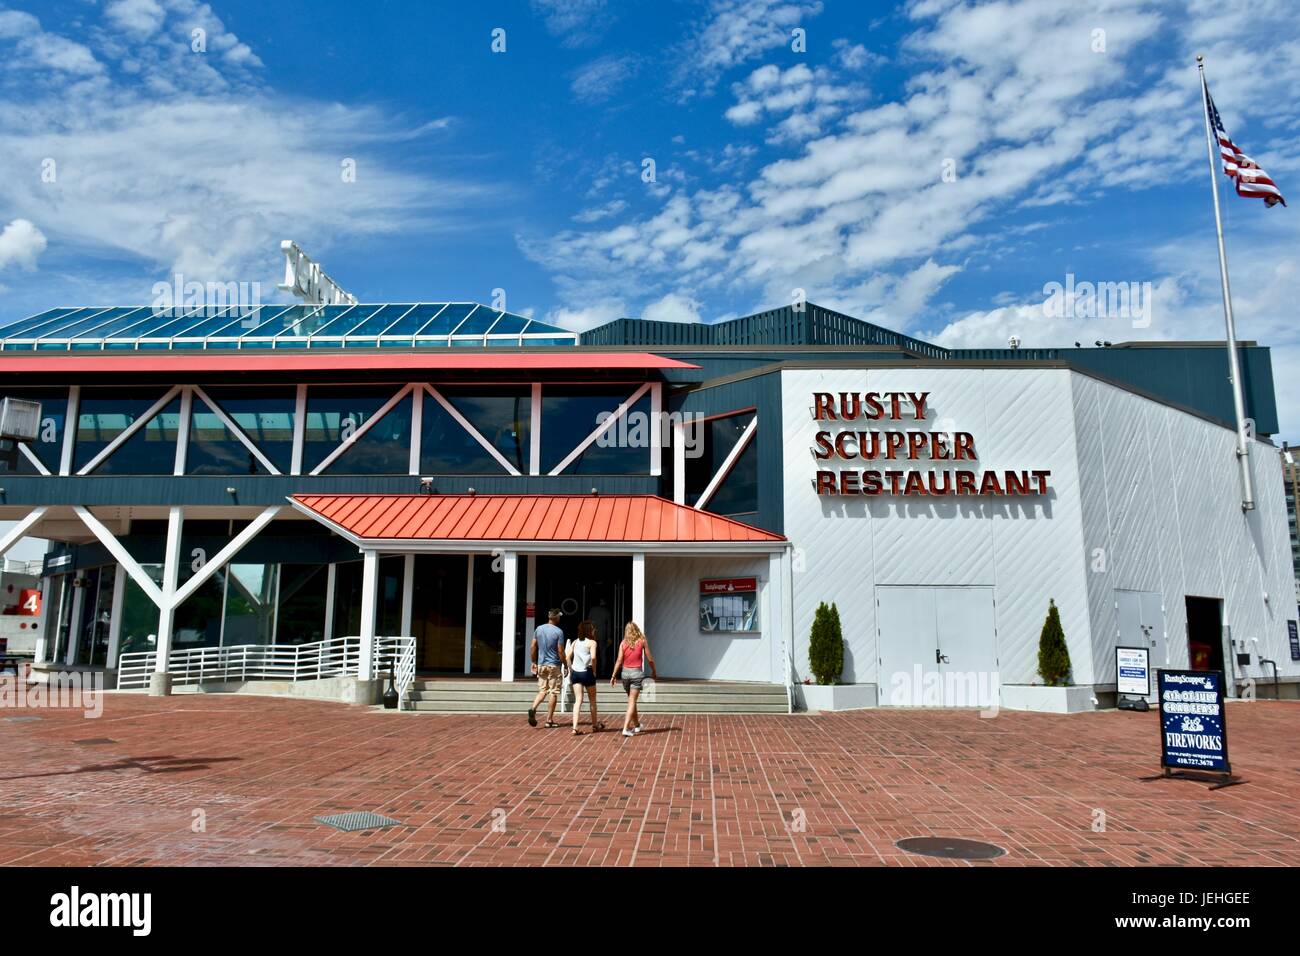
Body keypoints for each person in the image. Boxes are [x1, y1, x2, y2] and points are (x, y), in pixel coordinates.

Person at [609, 621, 656, 738]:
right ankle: (625, 728)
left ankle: (637, 725)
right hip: (636, 674)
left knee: (631, 700)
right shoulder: (642, 641)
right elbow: (650, 658)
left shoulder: (623, 643)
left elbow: (619, 660)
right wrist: (654, 671)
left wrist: (613, 675)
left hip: (625, 674)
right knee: (632, 701)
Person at [528, 609, 566, 728]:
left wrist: (533, 661)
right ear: (556, 618)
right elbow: (560, 650)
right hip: (554, 665)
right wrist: (565, 663)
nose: (560, 618)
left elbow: (533, 646)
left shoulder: (539, 629)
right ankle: (549, 720)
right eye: (559, 616)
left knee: (542, 690)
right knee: (553, 693)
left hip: (541, 664)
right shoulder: (559, 632)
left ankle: (533, 708)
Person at [565, 620, 604, 735]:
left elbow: (567, 657)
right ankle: (594, 725)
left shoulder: (575, 642)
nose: (594, 630)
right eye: (592, 628)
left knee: (578, 701)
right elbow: (593, 658)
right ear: (589, 630)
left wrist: (570, 668)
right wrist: (595, 671)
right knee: (592, 701)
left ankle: (575, 728)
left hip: (576, 673)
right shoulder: (592, 643)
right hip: (587, 672)